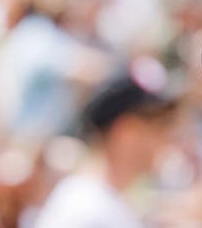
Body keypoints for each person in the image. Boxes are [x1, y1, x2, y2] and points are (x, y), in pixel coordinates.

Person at [34, 62, 179, 228]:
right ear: (127, 133)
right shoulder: (87, 209)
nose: (168, 138)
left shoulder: (101, 202)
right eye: (160, 127)